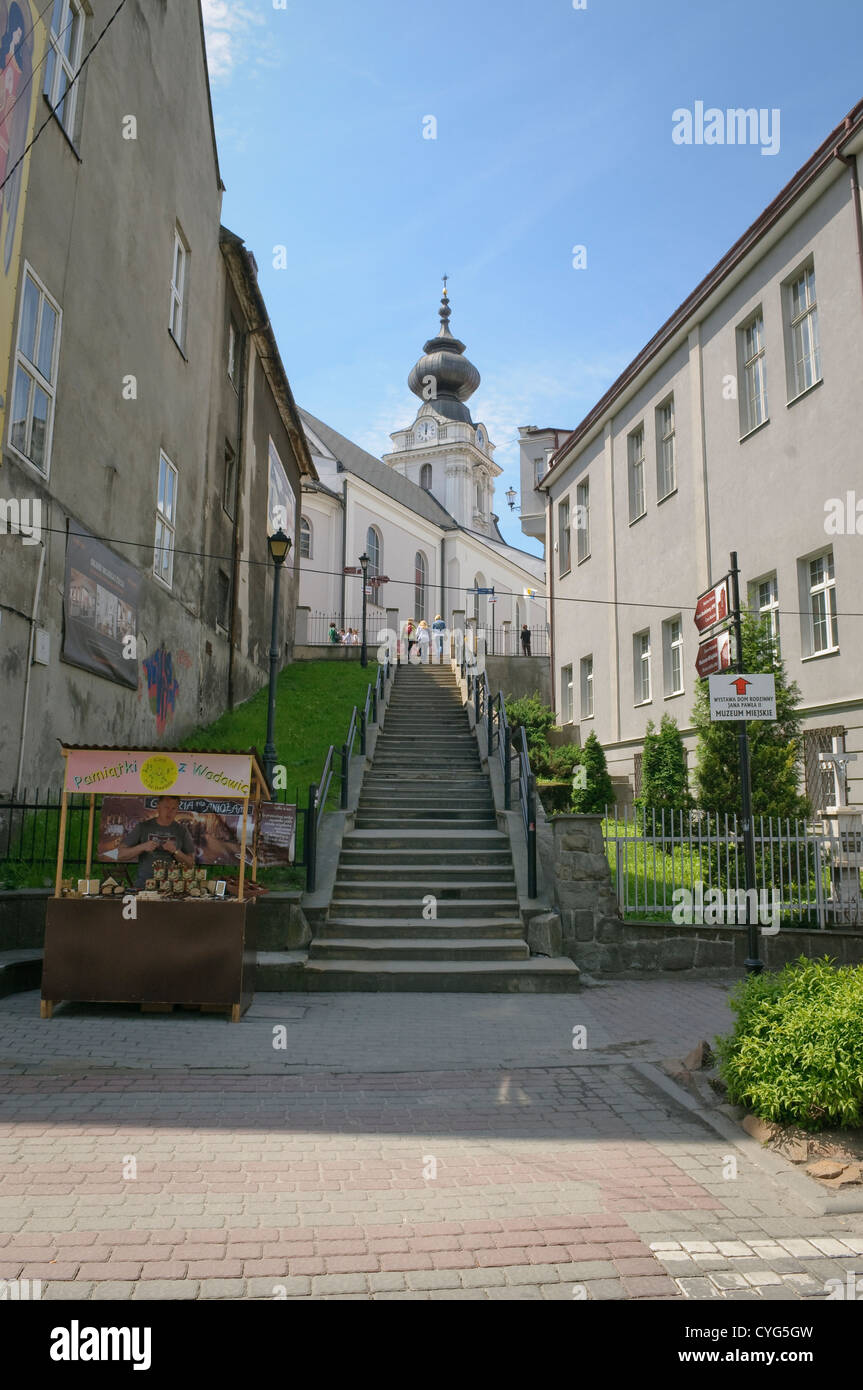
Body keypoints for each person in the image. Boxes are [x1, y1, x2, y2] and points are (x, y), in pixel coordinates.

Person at [116, 796, 196, 889]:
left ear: (177, 810)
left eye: (173, 808)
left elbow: (191, 864)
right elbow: (120, 854)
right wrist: (142, 847)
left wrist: (176, 851)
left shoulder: (182, 830)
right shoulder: (143, 827)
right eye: (166, 807)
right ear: (158, 807)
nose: (170, 811)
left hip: (172, 888)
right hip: (144, 886)